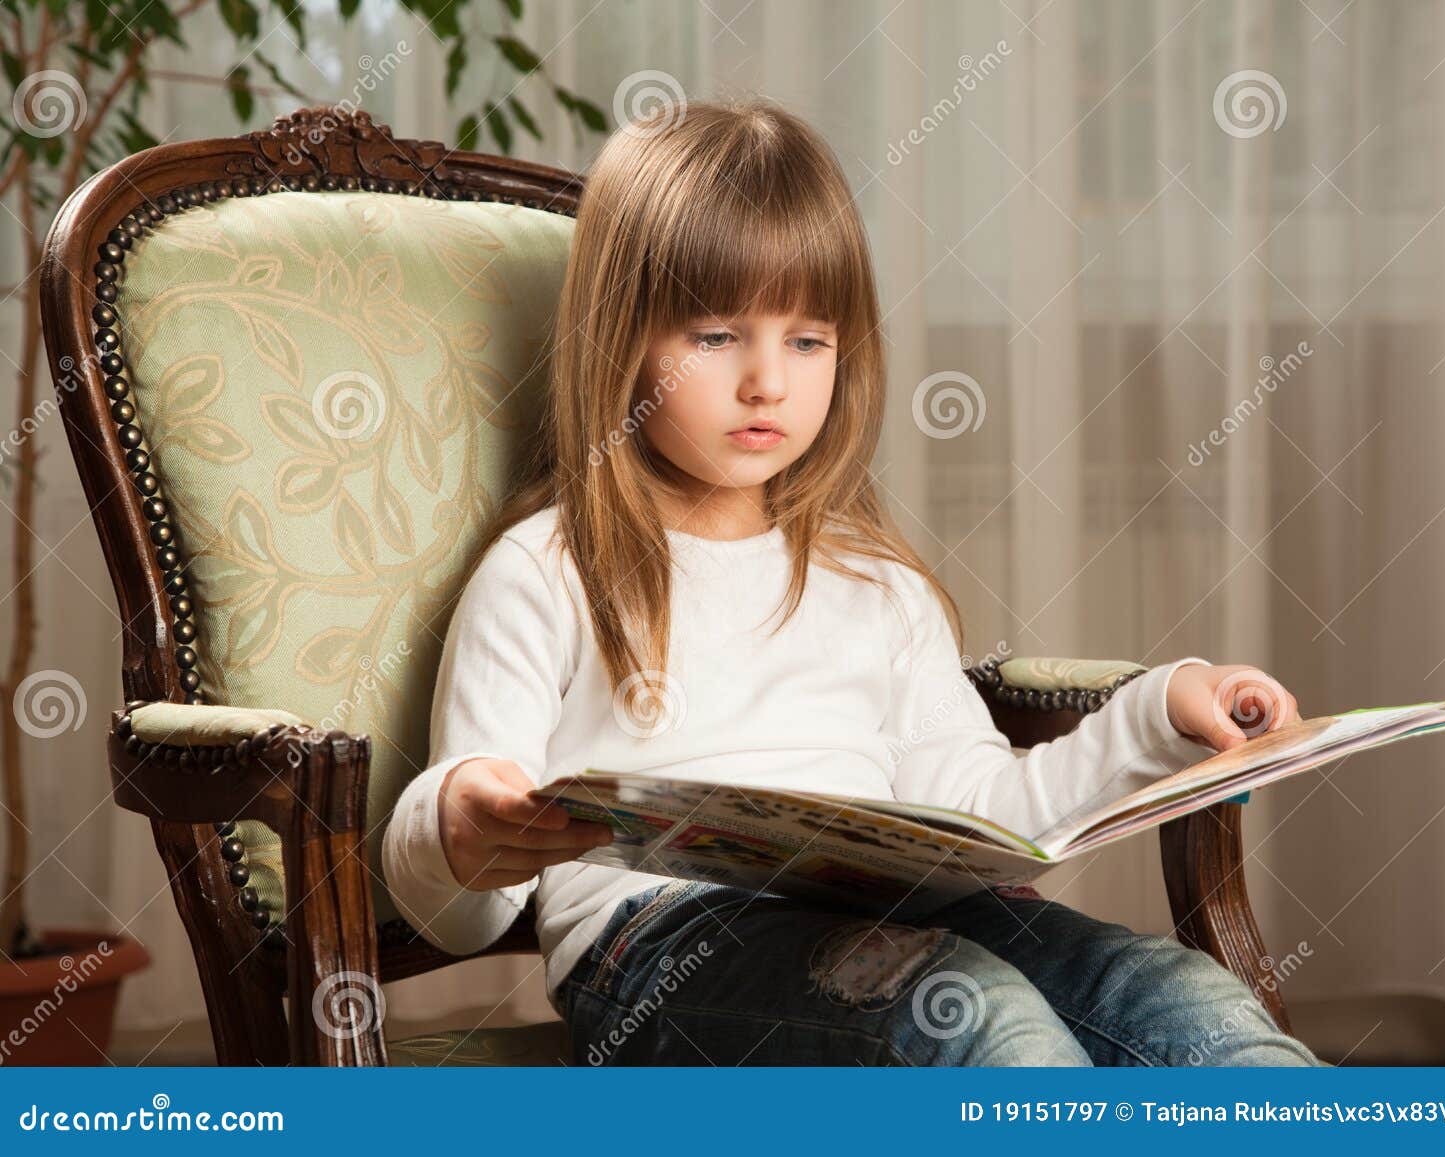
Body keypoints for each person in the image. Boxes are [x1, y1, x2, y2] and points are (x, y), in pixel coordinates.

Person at [381, 96, 1320, 1067]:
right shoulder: (545, 569)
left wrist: (1161, 710)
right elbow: (455, 902)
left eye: (807, 339)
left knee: (1187, 1004)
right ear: (620, 339)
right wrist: (460, 824)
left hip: (917, 911)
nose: (767, 382)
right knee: (980, 1018)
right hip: (664, 946)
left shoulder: (873, 582)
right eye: (715, 335)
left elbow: (984, 811)